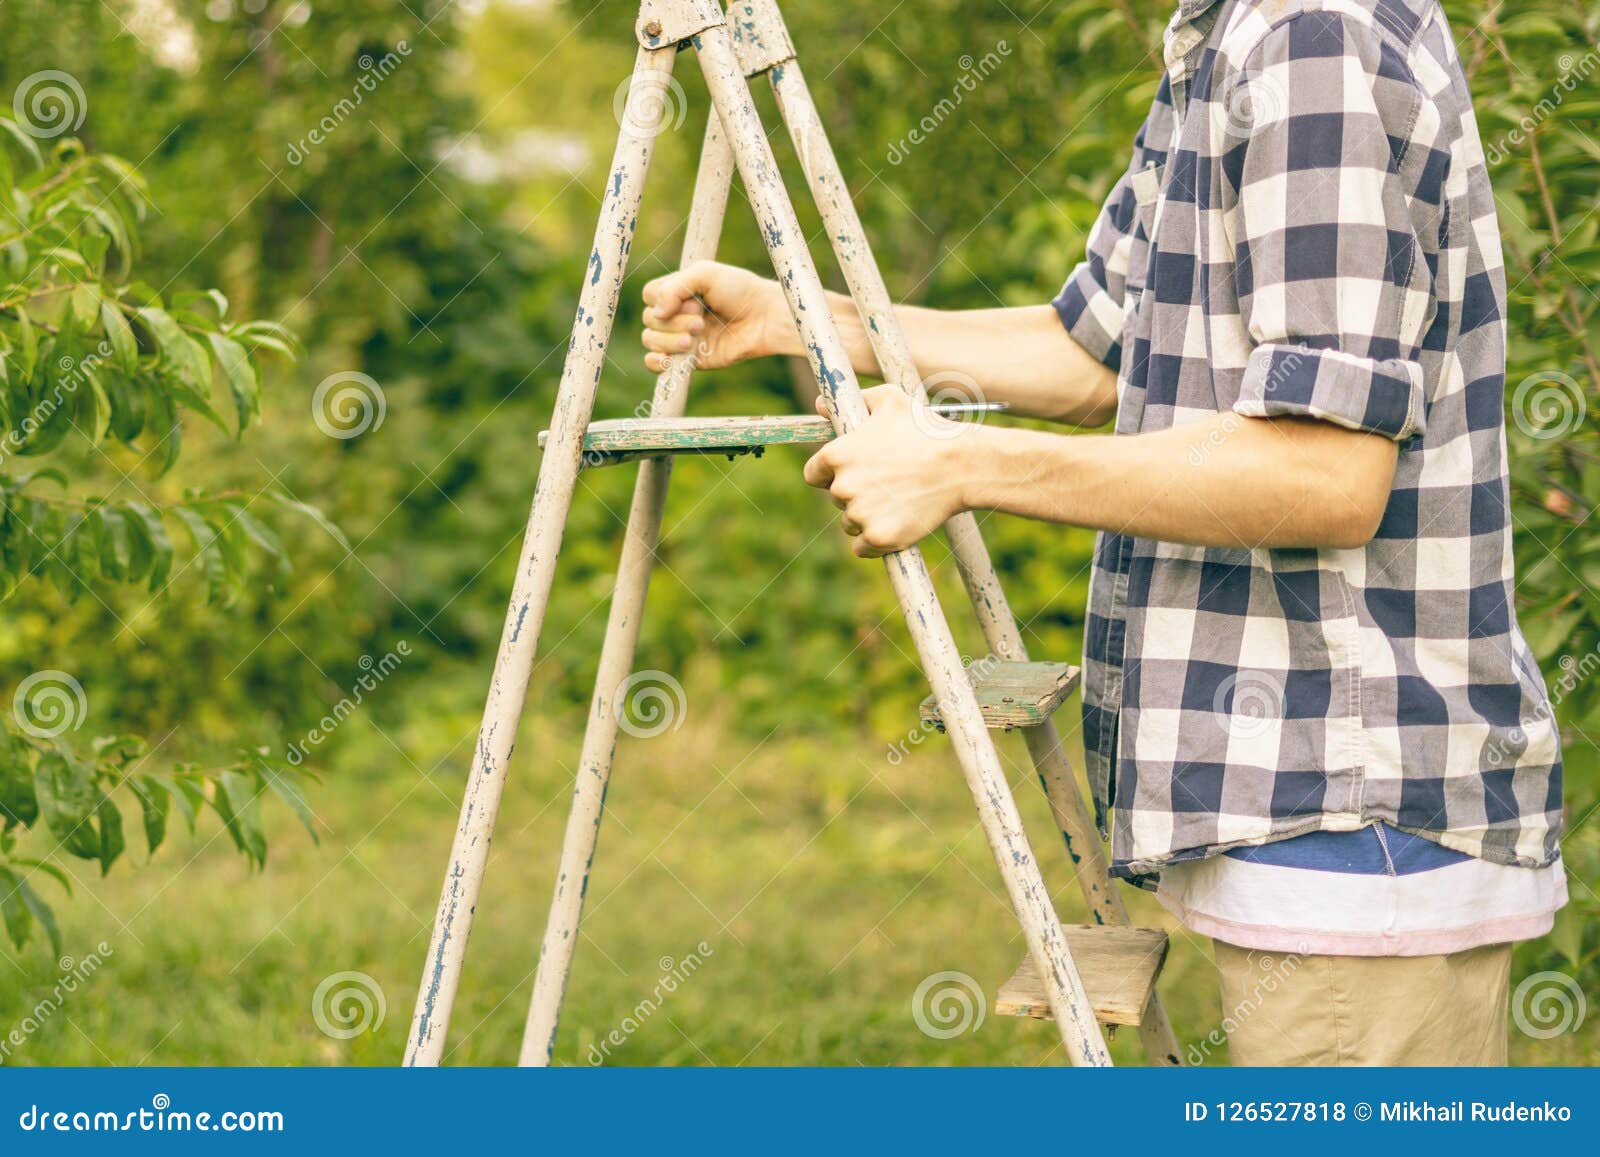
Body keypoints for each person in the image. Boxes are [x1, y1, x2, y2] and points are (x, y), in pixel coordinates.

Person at [637, 0, 1564, 1065]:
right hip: (1310, 803)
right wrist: (807, 318)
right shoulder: (1223, 37)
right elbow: (1093, 352)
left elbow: (1324, 470)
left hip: (1354, 809)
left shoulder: (1311, 37)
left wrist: (964, 463)